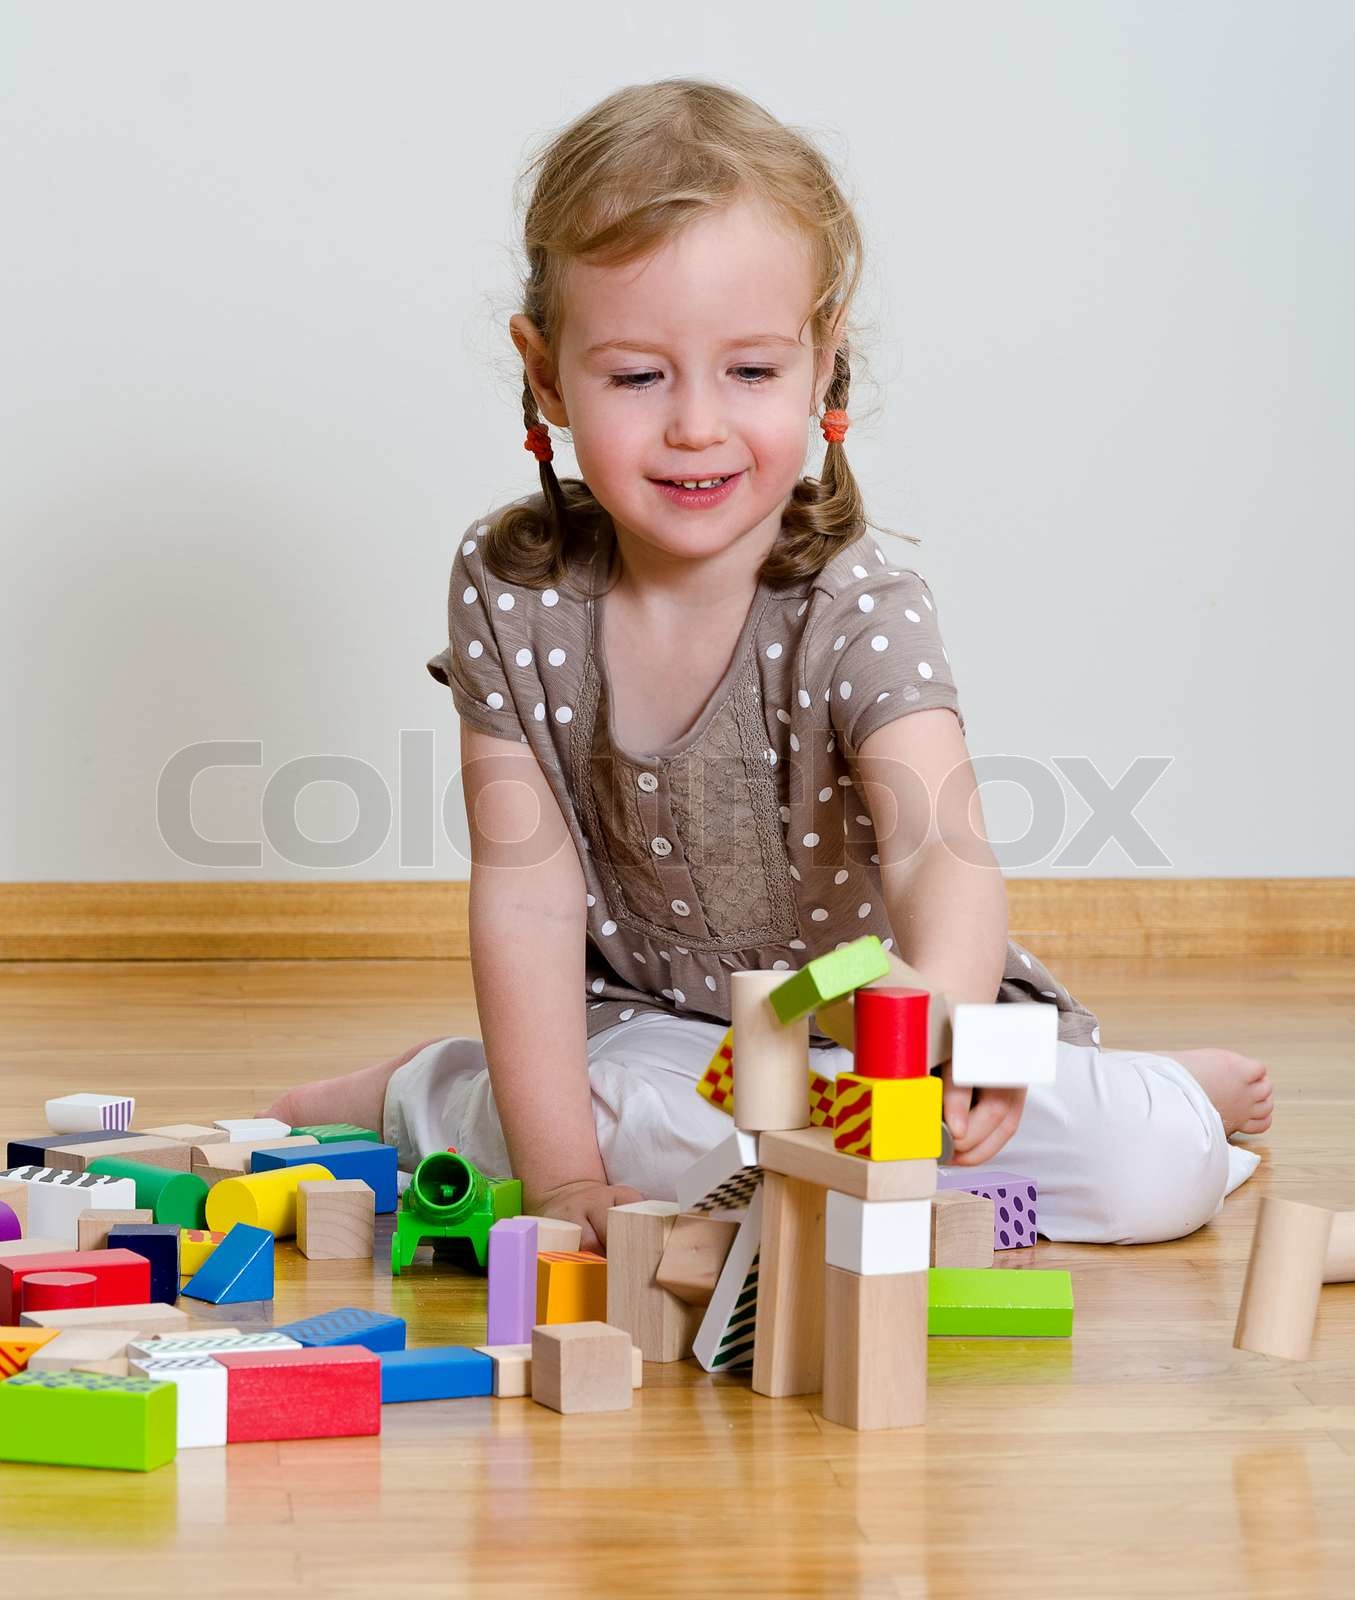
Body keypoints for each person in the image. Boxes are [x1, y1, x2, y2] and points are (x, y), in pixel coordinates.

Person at [267, 79, 1272, 1253]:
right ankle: (426, 1090)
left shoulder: (855, 604)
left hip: (871, 1043)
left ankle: (1163, 1099)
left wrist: (947, 1022)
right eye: (637, 377)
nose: (695, 424)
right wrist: (559, 1187)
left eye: (749, 371)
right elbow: (527, 895)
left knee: (1148, 1171)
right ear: (544, 376)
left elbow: (942, 862)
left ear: (820, 362)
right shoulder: (512, 589)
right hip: (647, 1032)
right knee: (619, 1137)